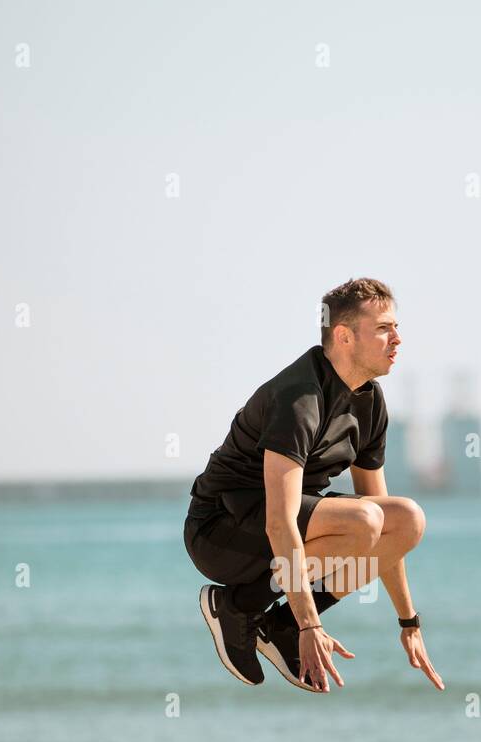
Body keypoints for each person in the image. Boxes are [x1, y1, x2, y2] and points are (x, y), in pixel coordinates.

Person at [183, 276, 444, 694]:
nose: (397, 339)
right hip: (219, 531)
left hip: (275, 532)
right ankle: (235, 607)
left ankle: (277, 625)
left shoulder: (369, 402)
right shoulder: (299, 398)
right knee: (363, 520)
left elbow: (388, 529)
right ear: (343, 336)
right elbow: (280, 523)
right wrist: (312, 624)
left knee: (406, 518)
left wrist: (408, 621)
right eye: (383, 328)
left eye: (395, 327)